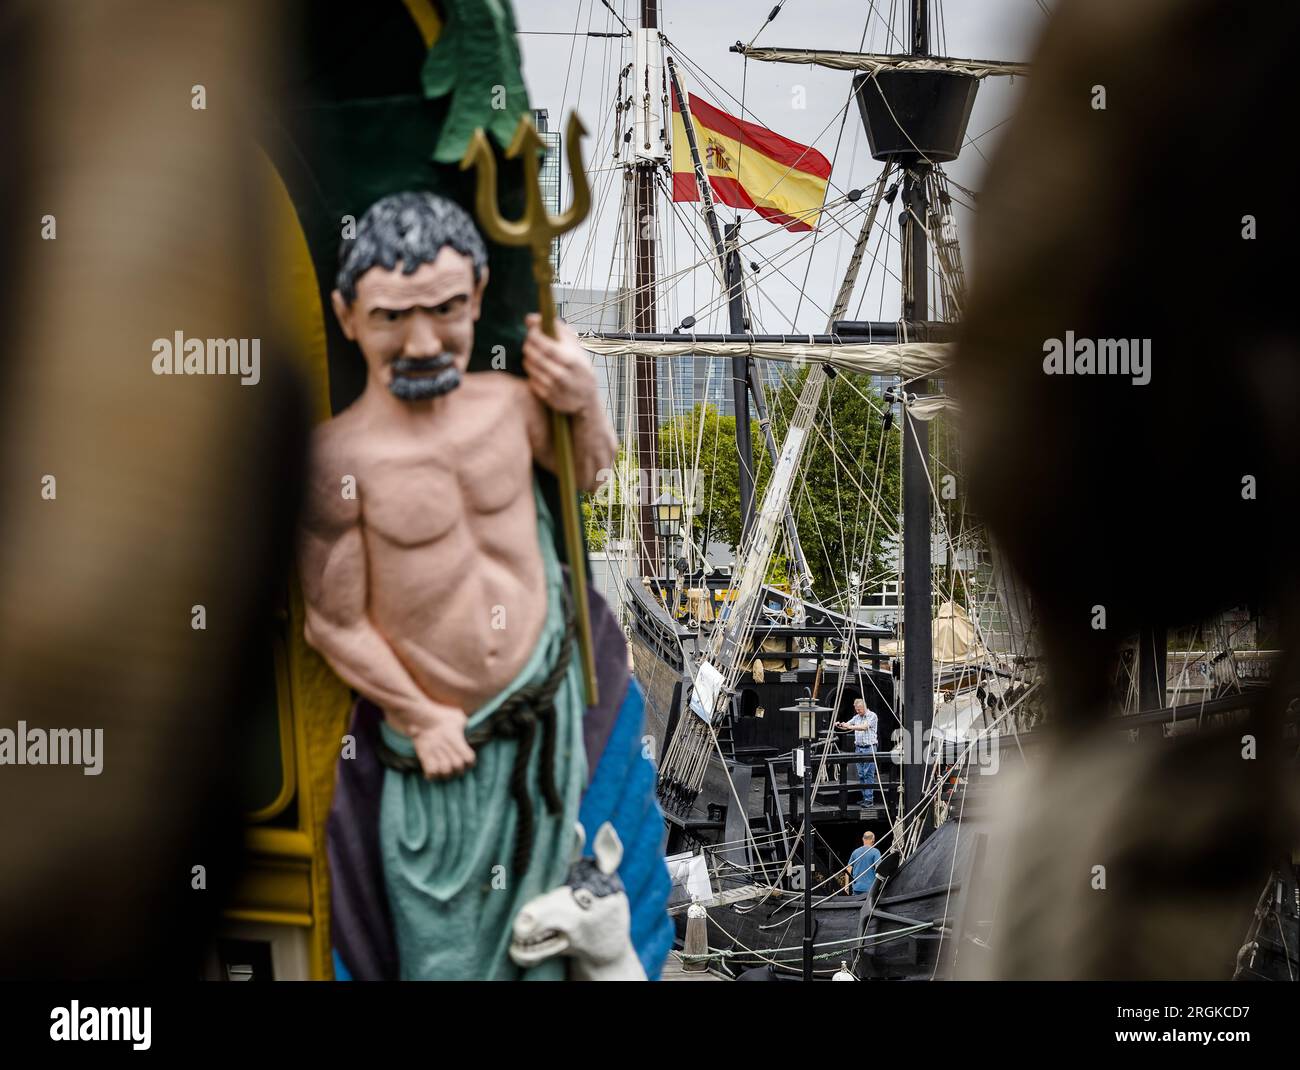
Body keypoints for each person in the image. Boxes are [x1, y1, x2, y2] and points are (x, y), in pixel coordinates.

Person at [299, 191, 617, 979]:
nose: (420, 341)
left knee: (544, 955)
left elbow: (592, 475)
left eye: (444, 309)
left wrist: (585, 400)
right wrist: (420, 714)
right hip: (443, 755)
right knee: (444, 963)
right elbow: (331, 624)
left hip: (545, 725)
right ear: (347, 315)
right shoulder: (336, 463)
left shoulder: (514, 409)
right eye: (390, 318)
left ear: (476, 295)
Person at [836, 697, 879, 805]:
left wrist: (849, 726)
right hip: (859, 748)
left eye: (859, 709)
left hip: (869, 748)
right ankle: (865, 798)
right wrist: (840, 725)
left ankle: (869, 800)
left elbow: (864, 727)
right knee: (861, 774)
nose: (857, 711)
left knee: (868, 774)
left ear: (864, 707)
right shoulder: (856, 717)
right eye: (856, 709)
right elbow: (847, 726)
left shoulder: (872, 716)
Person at [847, 830, 881, 897]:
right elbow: (879, 868)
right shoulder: (875, 852)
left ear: (863, 839)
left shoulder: (855, 852)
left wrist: (846, 886)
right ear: (873, 840)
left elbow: (848, 869)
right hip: (870, 889)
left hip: (856, 888)